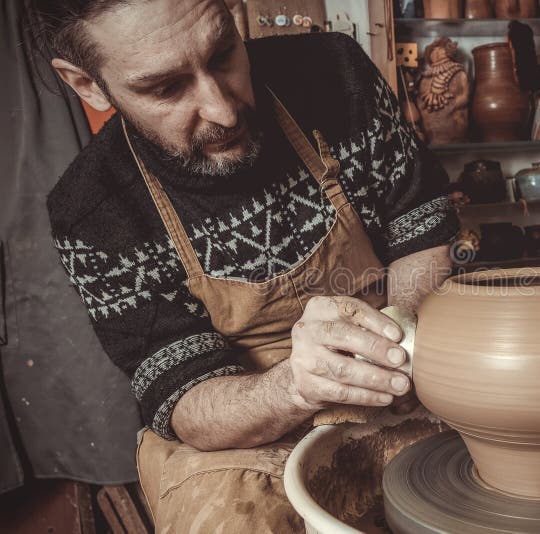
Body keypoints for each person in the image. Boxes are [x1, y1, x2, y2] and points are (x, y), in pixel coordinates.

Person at [38, 0, 458, 530]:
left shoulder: (333, 73)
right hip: (241, 426)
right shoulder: (91, 214)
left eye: (222, 54)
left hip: (395, 370)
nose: (223, 110)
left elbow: (420, 228)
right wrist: (298, 387)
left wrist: (402, 336)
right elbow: (185, 398)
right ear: (88, 84)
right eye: (166, 88)